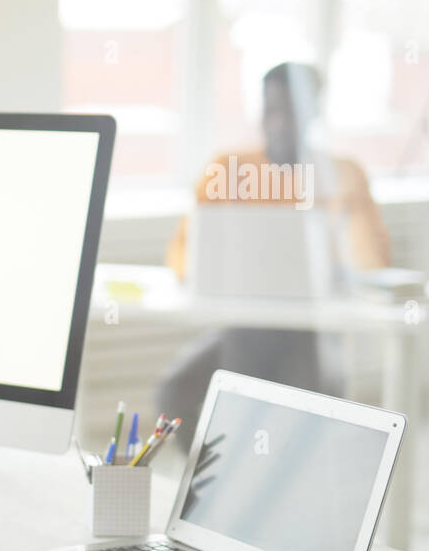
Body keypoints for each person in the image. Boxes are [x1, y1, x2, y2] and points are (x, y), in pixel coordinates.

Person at [156, 62, 392, 451]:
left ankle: (258, 480)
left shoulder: (342, 174)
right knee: (173, 392)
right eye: (272, 111)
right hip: (242, 325)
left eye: (292, 112)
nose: (280, 123)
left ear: (314, 113)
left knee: (289, 419)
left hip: (310, 330)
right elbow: (183, 250)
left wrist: (336, 257)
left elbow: (373, 262)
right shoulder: (228, 169)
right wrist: (201, 274)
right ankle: (210, 484)